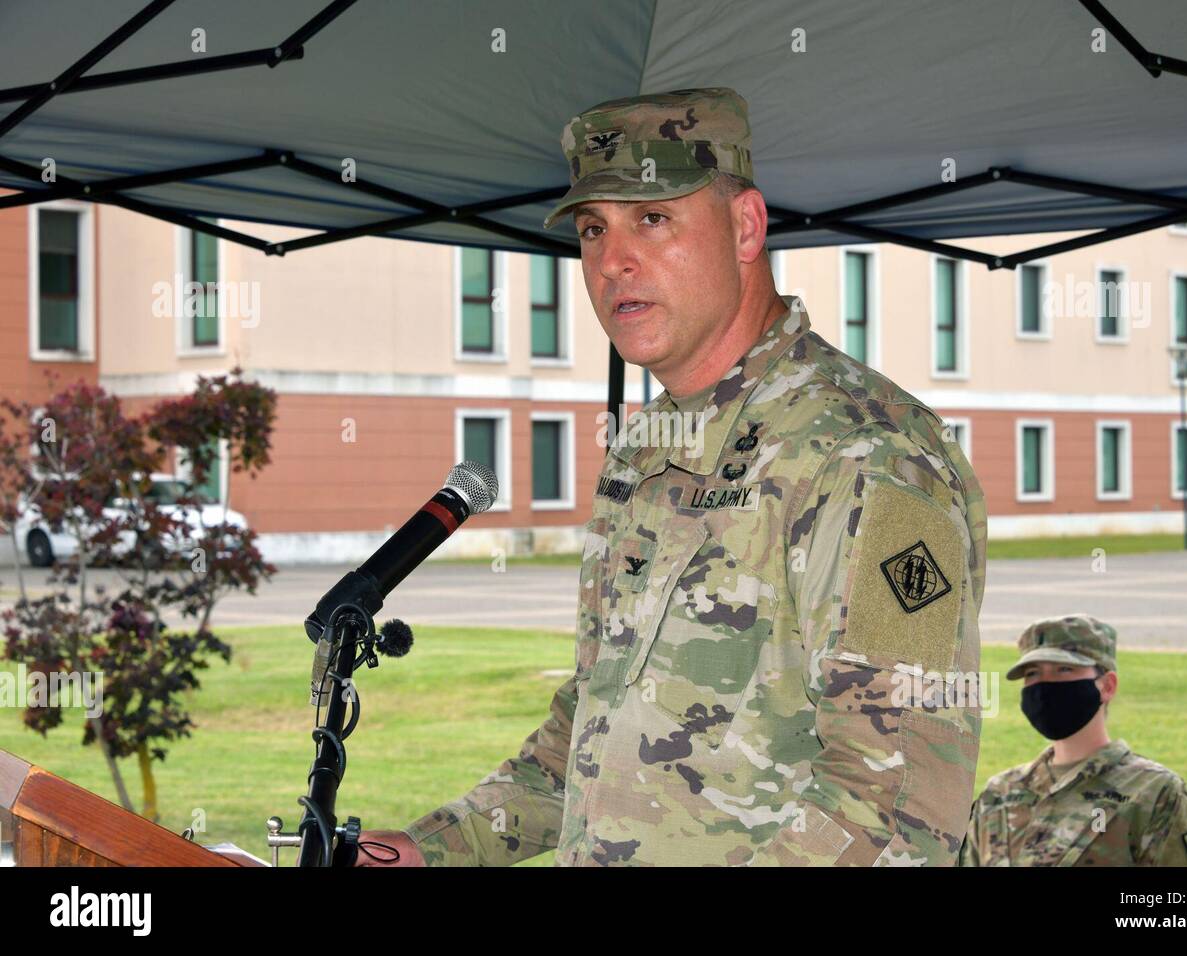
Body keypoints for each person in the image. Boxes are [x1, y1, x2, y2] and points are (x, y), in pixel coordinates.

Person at [358, 87, 986, 866]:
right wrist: (429, 850)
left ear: (746, 225)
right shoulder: (647, 450)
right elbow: (587, 740)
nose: (612, 261)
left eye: (652, 219)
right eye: (593, 229)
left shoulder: (869, 458)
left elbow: (896, 810)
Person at [959, 614, 1187, 866]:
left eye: (1064, 669)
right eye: (1033, 673)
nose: (1045, 685)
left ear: (1107, 686)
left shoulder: (1154, 794)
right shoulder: (1000, 794)